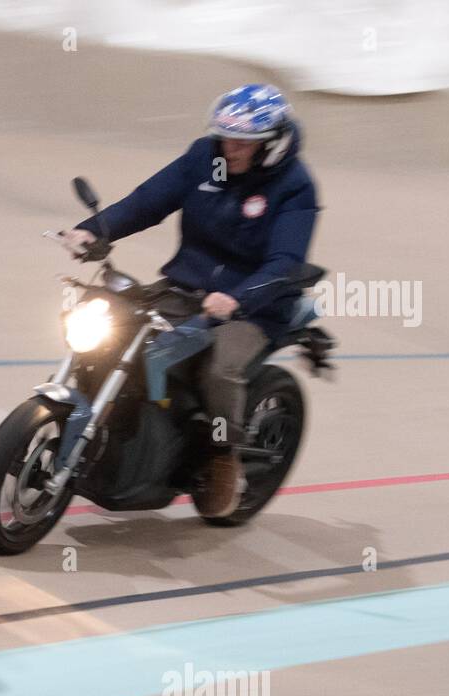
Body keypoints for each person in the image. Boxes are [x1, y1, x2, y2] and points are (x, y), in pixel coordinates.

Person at [62, 84, 320, 517]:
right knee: (113, 326)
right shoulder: (208, 158)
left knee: (220, 369)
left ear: (271, 145)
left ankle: (224, 459)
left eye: (243, 142)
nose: (230, 149)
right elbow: (148, 202)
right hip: (185, 287)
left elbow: (283, 263)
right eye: (224, 137)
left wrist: (236, 299)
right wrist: (95, 229)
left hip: (255, 307)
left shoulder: (295, 188)